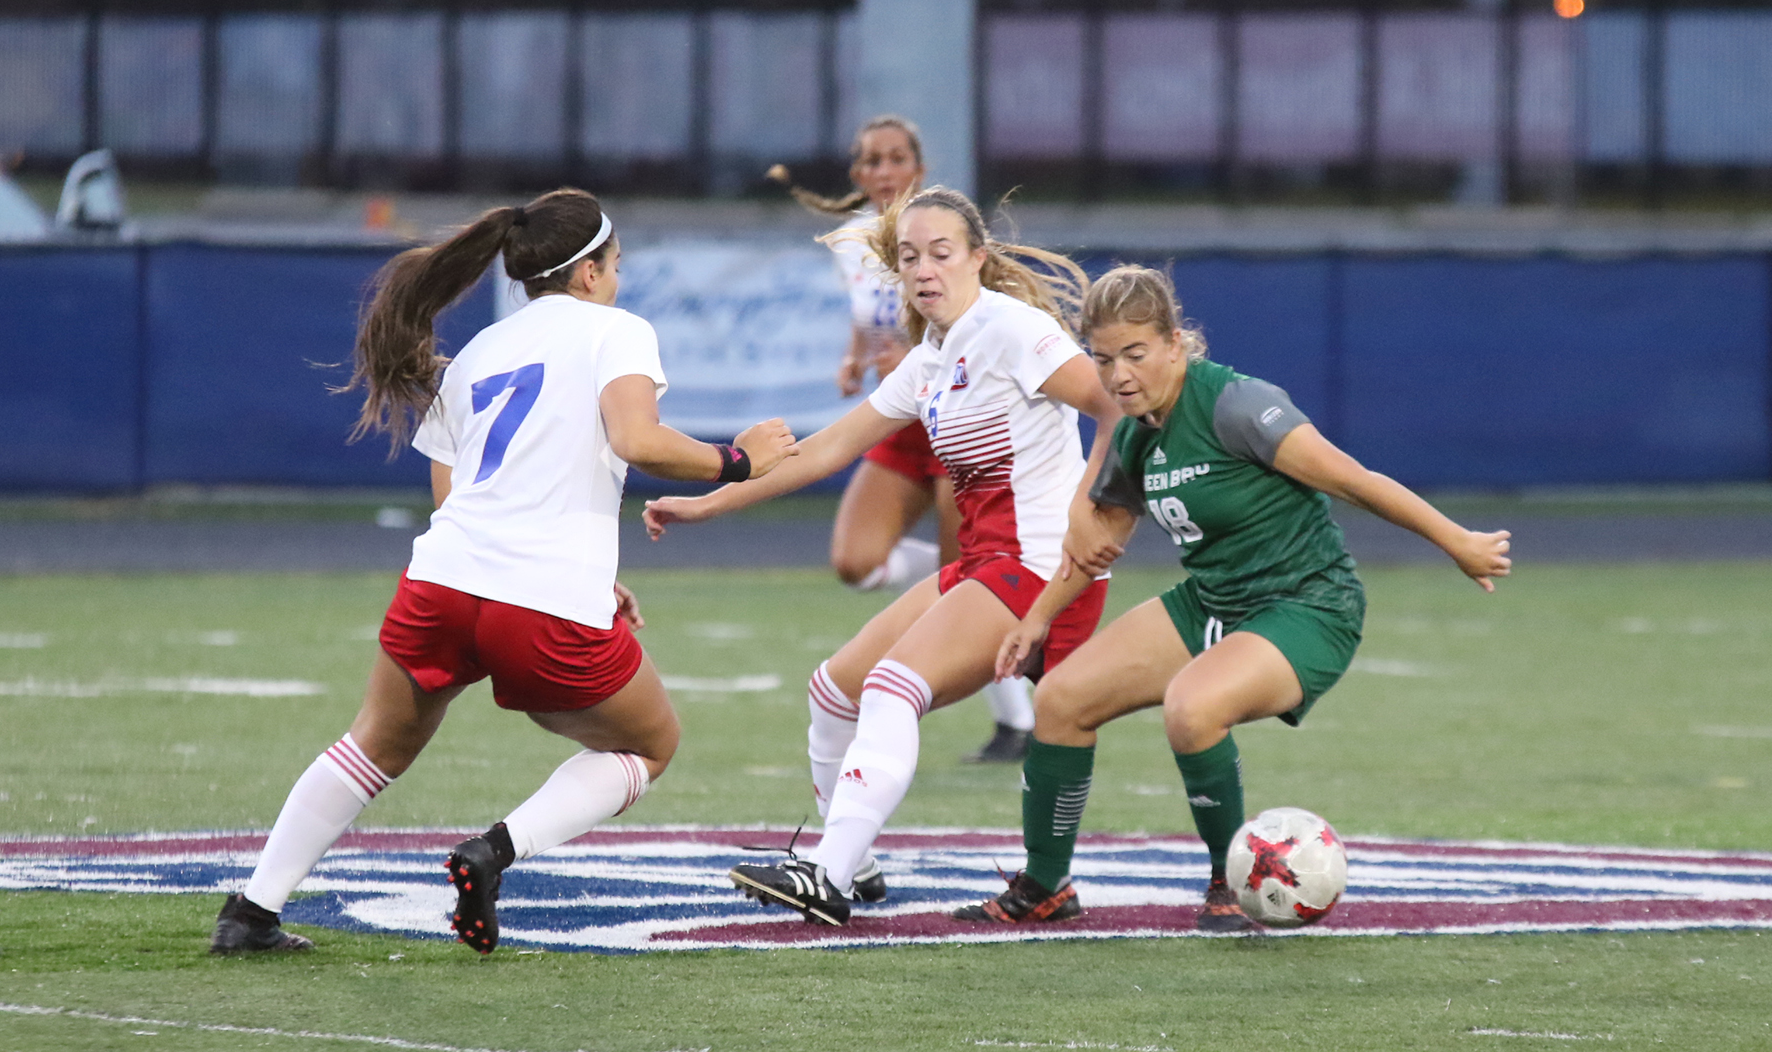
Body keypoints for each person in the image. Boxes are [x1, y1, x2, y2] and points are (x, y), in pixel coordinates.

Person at [208, 188, 796, 956]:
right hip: (541, 601)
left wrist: (589, 572)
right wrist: (740, 459)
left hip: (444, 581)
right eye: (614, 265)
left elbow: (457, 497)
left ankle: (252, 910)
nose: (618, 281)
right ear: (587, 275)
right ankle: (491, 853)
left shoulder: (481, 351)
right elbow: (638, 439)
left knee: (371, 745)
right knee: (648, 747)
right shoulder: (615, 329)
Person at [952, 266, 1512, 931]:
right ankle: (1046, 885)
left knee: (1193, 707)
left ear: (1172, 342)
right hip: (1213, 600)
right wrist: (1039, 619)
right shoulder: (1135, 432)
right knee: (1060, 700)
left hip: (1307, 604)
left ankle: (1229, 878)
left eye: (1135, 354)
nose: (1119, 374)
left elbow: (1355, 480)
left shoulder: (1236, 406)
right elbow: (1098, 542)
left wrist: (1458, 542)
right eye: (1103, 359)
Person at [643, 186, 1124, 926]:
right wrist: (708, 499)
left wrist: (1098, 507)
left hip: (1039, 569)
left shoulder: (1010, 327)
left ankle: (825, 876)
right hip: (987, 566)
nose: (924, 270)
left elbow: (1116, 402)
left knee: (894, 686)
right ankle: (853, 863)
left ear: (978, 260)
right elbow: (820, 453)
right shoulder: (931, 357)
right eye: (908, 257)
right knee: (833, 691)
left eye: (940, 253)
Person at [772, 116, 1037, 764]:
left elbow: (979, 325)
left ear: (917, 168)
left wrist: (923, 364)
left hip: (960, 419)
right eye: (874, 161)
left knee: (970, 586)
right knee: (856, 561)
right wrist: (853, 356)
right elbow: (872, 316)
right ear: (859, 175)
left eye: (897, 159)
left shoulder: (941, 232)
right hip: (898, 418)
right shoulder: (854, 241)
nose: (886, 171)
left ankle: (1018, 722)